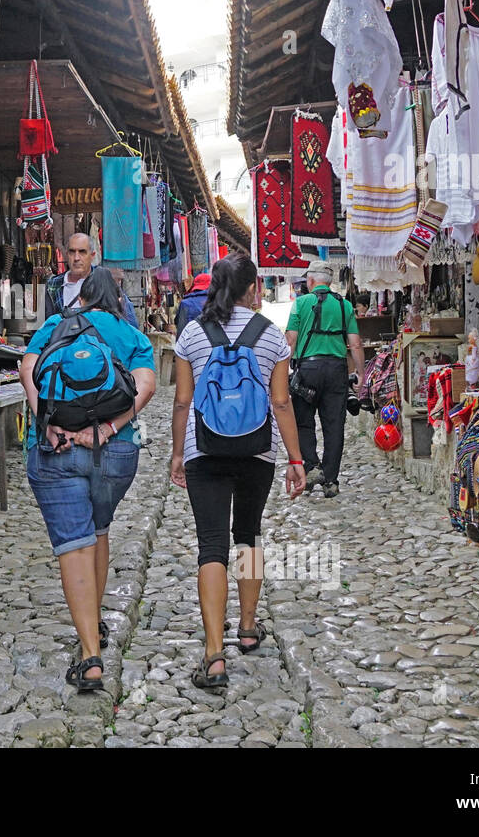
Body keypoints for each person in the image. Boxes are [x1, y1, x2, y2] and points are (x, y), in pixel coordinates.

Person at [170, 254, 305, 691]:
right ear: (252, 290)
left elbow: (182, 401)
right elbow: (281, 403)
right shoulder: (269, 336)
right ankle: (248, 626)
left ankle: (213, 655)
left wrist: (177, 453)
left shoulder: (192, 333)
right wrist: (297, 459)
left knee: (211, 544)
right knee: (248, 534)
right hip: (256, 451)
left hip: (202, 450)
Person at [20, 268, 156, 692]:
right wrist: (107, 430)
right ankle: (92, 627)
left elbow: (28, 369)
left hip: (54, 450)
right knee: (98, 530)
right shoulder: (132, 335)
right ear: (117, 298)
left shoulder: (54, 326)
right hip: (114, 455)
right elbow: (145, 387)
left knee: (72, 543)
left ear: (80, 297)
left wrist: (47, 423)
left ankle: (90, 655)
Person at [285, 261, 365, 498]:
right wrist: (360, 372)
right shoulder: (345, 305)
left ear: (310, 281)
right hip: (336, 371)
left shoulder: (301, 303)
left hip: (307, 370)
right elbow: (355, 343)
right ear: (330, 283)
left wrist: (280, 374)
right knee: (334, 426)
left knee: (303, 422)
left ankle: (312, 467)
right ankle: (330, 480)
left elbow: (290, 340)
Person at [43, 232, 137, 325]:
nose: (76, 258)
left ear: (92, 255)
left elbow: (130, 323)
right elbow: (42, 325)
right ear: (67, 255)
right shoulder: (53, 285)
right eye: (72, 252)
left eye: (82, 252)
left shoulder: (104, 282)